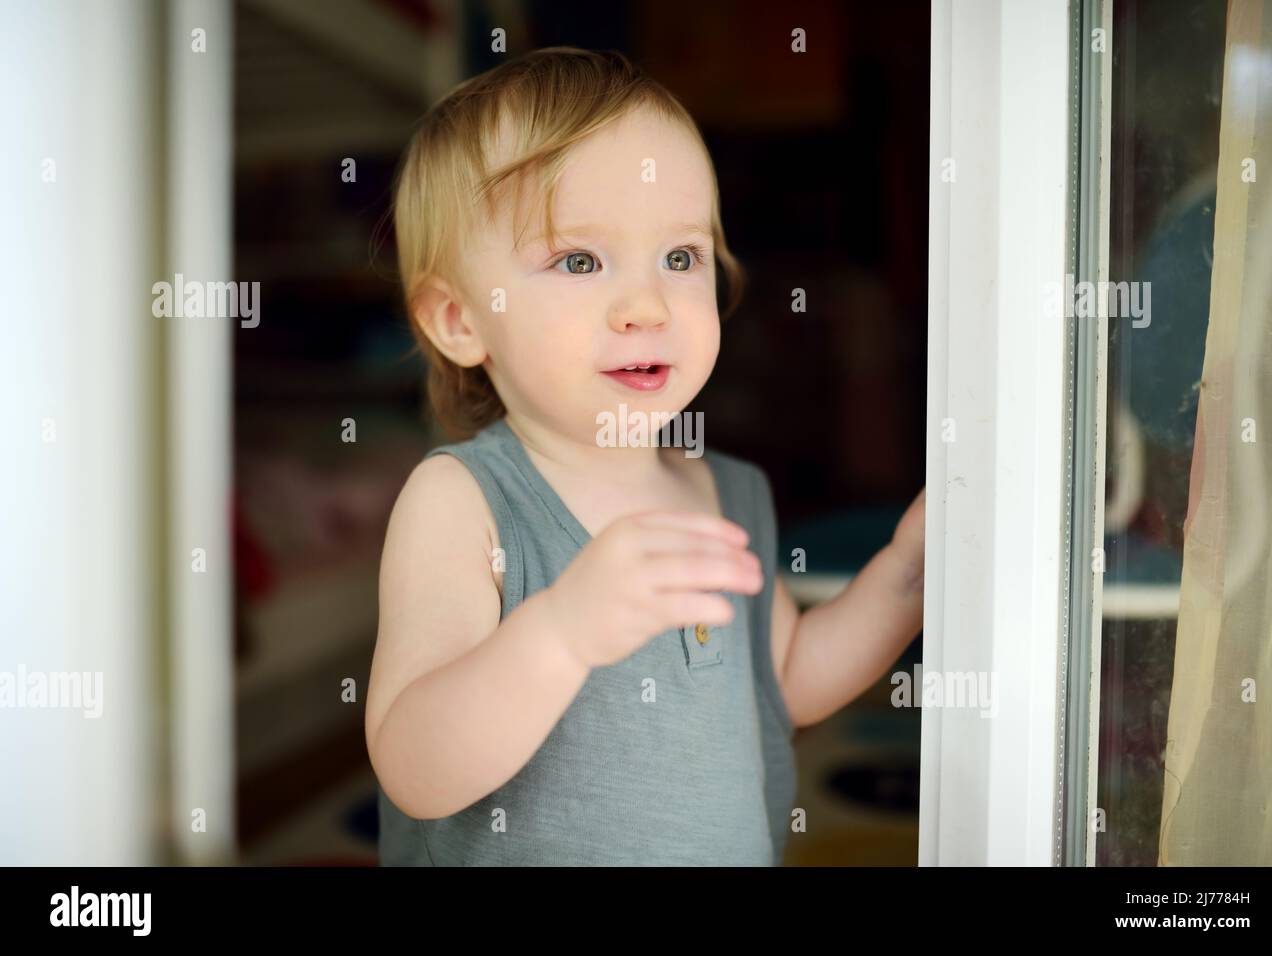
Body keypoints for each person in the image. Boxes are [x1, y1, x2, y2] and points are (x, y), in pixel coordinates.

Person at [363, 47, 925, 865]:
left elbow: (788, 680)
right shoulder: (463, 501)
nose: (646, 305)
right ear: (460, 320)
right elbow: (414, 761)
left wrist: (909, 575)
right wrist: (561, 632)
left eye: (680, 257)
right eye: (580, 260)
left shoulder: (732, 493)